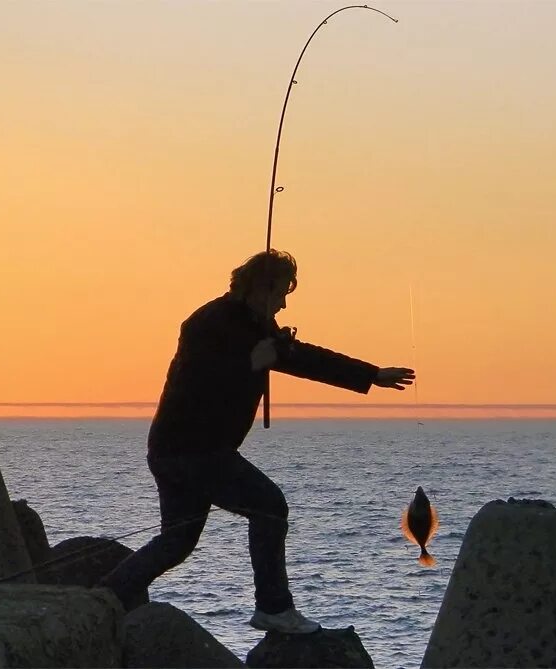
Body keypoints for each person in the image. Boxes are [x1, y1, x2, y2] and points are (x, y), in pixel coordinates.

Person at [99, 249, 415, 634]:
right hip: (192, 450)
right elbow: (205, 377)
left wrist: (371, 375)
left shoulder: (256, 328)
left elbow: (305, 358)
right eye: (279, 293)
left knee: (177, 540)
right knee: (269, 507)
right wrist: (253, 361)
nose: (282, 303)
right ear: (257, 288)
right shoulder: (207, 323)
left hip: (179, 450)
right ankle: (273, 608)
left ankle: (105, 597)